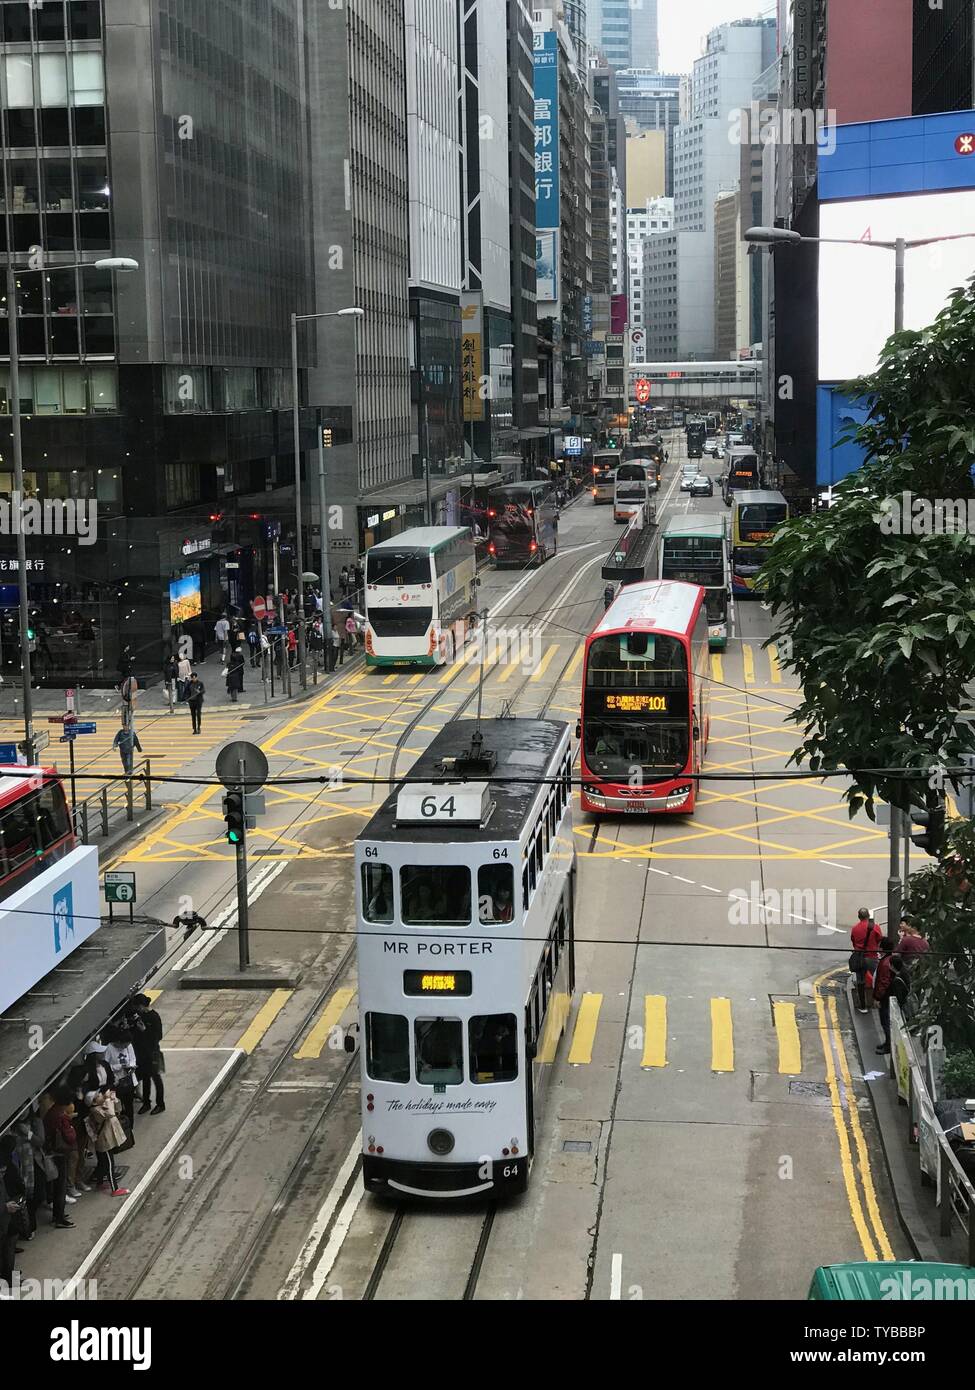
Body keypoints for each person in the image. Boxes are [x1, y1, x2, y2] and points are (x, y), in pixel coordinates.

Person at [84, 1088, 129, 1197]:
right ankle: (115, 1188)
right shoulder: (95, 1111)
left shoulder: (101, 1106)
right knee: (109, 1164)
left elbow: (118, 1109)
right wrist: (108, 1099)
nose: (102, 1096)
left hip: (106, 1139)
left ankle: (99, 1182)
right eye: (99, 1095)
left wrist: (114, 1099)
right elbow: (110, 1114)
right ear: (94, 1101)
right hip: (104, 1142)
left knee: (102, 1163)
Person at [43, 1090, 78, 1227]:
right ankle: (59, 1218)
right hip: (59, 1154)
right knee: (60, 1186)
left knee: (56, 1185)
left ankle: (58, 1215)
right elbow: (70, 1136)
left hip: (50, 1152)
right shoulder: (61, 1116)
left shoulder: (50, 1113)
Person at [129, 994, 165, 1114]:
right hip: (141, 1052)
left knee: (156, 1078)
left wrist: (145, 1030)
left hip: (152, 1052)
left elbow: (158, 1036)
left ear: (142, 1006)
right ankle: (146, 1102)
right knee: (145, 1078)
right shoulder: (139, 1016)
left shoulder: (154, 1017)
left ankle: (160, 1104)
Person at [102, 1023, 139, 1136]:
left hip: (128, 1080)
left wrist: (131, 1066)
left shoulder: (129, 1046)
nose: (125, 1047)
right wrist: (119, 1067)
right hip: (117, 1082)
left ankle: (130, 1127)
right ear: (118, 1042)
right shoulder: (109, 1049)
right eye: (123, 1045)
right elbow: (106, 1066)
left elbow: (133, 1058)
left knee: (129, 1105)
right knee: (118, 1107)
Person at [849, 907, 882, 1013]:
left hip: (859, 957)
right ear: (868, 916)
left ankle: (863, 1006)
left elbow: (854, 942)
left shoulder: (855, 928)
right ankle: (876, 1001)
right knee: (876, 979)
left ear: (859, 917)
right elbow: (879, 940)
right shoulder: (875, 927)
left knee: (860, 981)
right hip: (872, 957)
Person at [872, 936, 898, 1055]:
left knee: (885, 1022)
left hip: (885, 998)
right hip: (886, 996)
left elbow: (883, 982)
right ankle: (887, 1042)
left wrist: (878, 998)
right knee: (885, 1022)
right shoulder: (887, 959)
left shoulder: (885, 963)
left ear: (882, 948)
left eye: (879, 945)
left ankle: (888, 1045)